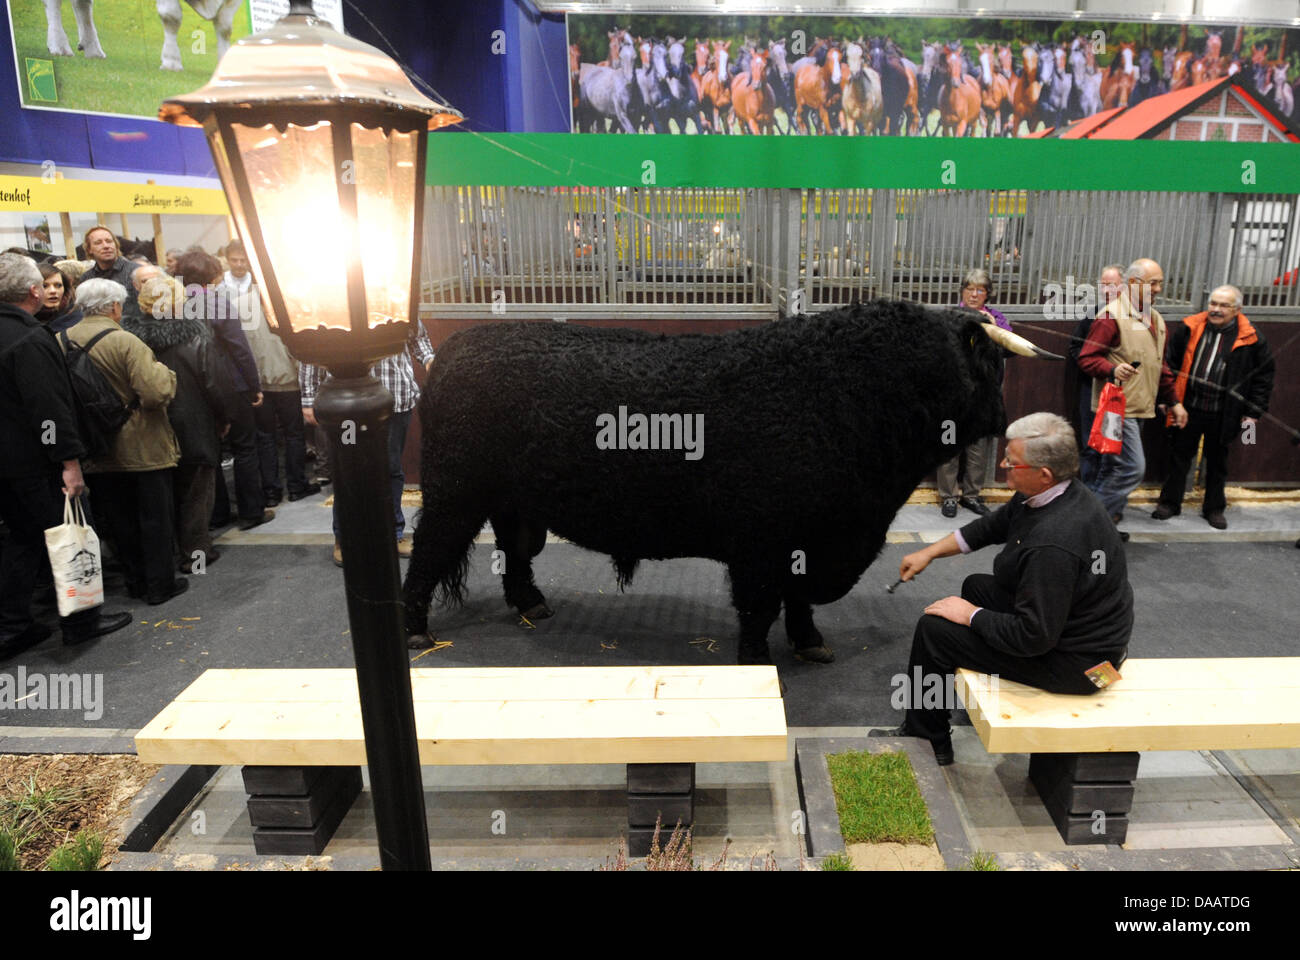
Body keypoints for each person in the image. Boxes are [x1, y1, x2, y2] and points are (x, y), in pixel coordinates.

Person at [872, 413, 1134, 765]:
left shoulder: (1054, 543)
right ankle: (976, 679)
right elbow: (990, 528)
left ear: (1043, 474)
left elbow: (1034, 636)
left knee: (935, 631)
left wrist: (970, 616)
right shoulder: (1052, 493)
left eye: (1012, 461)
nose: (1003, 464)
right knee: (977, 586)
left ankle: (928, 740)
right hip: (1071, 629)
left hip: (1082, 665)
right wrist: (929, 552)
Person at [0, 254, 134, 658]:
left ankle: (11, 628)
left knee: (21, 541)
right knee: (72, 534)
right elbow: (50, 409)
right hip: (38, 465)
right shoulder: (29, 338)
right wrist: (70, 463)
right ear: (33, 291)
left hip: (6, 465)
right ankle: (81, 622)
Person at [64, 279, 186, 604]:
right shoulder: (124, 341)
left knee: (118, 521)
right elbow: (154, 393)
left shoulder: (61, 340)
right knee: (154, 518)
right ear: (116, 307)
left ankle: (135, 582)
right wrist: (167, 374)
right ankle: (160, 586)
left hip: (93, 449)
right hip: (141, 445)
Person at [301, 323, 435, 566]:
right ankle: (345, 538)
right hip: (348, 404)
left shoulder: (395, 294)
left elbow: (418, 337)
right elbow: (313, 346)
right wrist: (309, 397)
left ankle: (393, 535)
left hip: (396, 400)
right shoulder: (334, 297)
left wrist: (429, 359)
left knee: (392, 470)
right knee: (348, 470)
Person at [133, 275, 237, 572]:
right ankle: (196, 554)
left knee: (165, 492)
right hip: (194, 423)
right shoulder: (196, 339)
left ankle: (171, 552)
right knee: (197, 490)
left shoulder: (133, 340)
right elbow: (215, 385)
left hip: (152, 426)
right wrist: (224, 418)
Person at [1078, 258, 1186, 541]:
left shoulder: (1156, 319)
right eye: (1153, 283)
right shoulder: (1110, 316)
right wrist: (1112, 369)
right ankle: (1088, 527)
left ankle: (1097, 528)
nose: (1158, 289)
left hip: (1140, 407)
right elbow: (1087, 358)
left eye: (1160, 283)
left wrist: (1173, 400)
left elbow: (1159, 365)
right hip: (1116, 409)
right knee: (1132, 468)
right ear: (1134, 284)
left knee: (1114, 468)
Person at [1152, 285, 1275, 529]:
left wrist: (1253, 414)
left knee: (1218, 462)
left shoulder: (1253, 338)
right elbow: (1170, 365)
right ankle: (1169, 503)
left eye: (1223, 305)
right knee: (1179, 456)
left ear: (1237, 309)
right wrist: (1168, 399)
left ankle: (1214, 508)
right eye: (1213, 304)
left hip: (1225, 411)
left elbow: (1263, 378)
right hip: (1188, 406)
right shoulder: (1189, 327)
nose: (1216, 310)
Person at [173, 249, 273, 531]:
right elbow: (238, 347)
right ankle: (251, 511)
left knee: (211, 450)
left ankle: (216, 514)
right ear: (213, 274)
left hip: (194, 386)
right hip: (230, 382)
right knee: (244, 447)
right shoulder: (216, 301)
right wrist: (254, 385)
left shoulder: (178, 302)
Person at [221, 240, 319, 507]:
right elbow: (301, 347)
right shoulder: (291, 303)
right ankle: (297, 485)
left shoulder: (240, 304)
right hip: (289, 380)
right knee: (293, 435)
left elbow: (238, 347)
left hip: (259, 384)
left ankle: (271, 492)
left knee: (265, 437)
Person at [937, 269, 1011, 518]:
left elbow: (1010, 348)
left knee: (979, 449)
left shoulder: (996, 318)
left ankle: (971, 495)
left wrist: (989, 326)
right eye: (970, 288)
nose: (974, 294)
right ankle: (948, 497)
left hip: (983, 395)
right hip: (953, 393)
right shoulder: (950, 316)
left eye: (980, 290)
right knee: (950, 446)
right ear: (962, 291)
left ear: (987, 294)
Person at [1067, 264, 1125, 487]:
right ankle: (1089, 492)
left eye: (1112, 284)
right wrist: (1090, 367)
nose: (1106, 289)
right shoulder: (1094, 314)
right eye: (1103, 284)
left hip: (1117, 393)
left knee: (1111, 443)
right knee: (1090, 441)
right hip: (1091, 389)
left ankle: (1107, 495)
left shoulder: (1133, 317)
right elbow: (1075, 347)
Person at [80, 226, 140, 322]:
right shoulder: (87, 279)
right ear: (89, 249)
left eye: (109, 241)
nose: (106, 246)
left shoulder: (136, 272)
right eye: (98, 243)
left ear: (116, 245)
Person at [34, 262, 83, 333]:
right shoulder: (23, 319)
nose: (53, 291)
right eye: (44, 286)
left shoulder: (76, 319)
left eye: (58, 285)